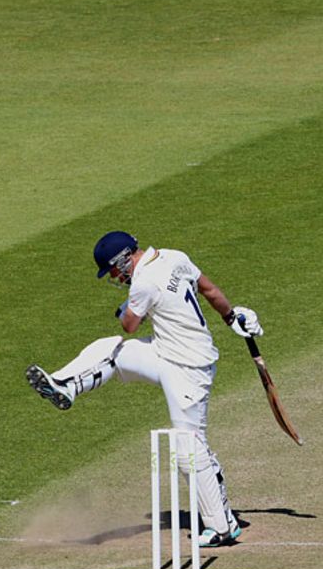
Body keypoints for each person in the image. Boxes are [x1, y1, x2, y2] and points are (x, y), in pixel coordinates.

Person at [25, 231, 263, 547]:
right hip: (163, 351)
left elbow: (129, 324)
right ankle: (64, 386)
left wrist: (127, 305)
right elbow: (209, 289)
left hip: (190, 369)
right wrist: (231, 316)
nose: (113, 276)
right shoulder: (174, 255)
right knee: (113, 352)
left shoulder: (143, 283)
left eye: (111, 270)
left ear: (122, 260)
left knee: (188, 448)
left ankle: (222, 526)